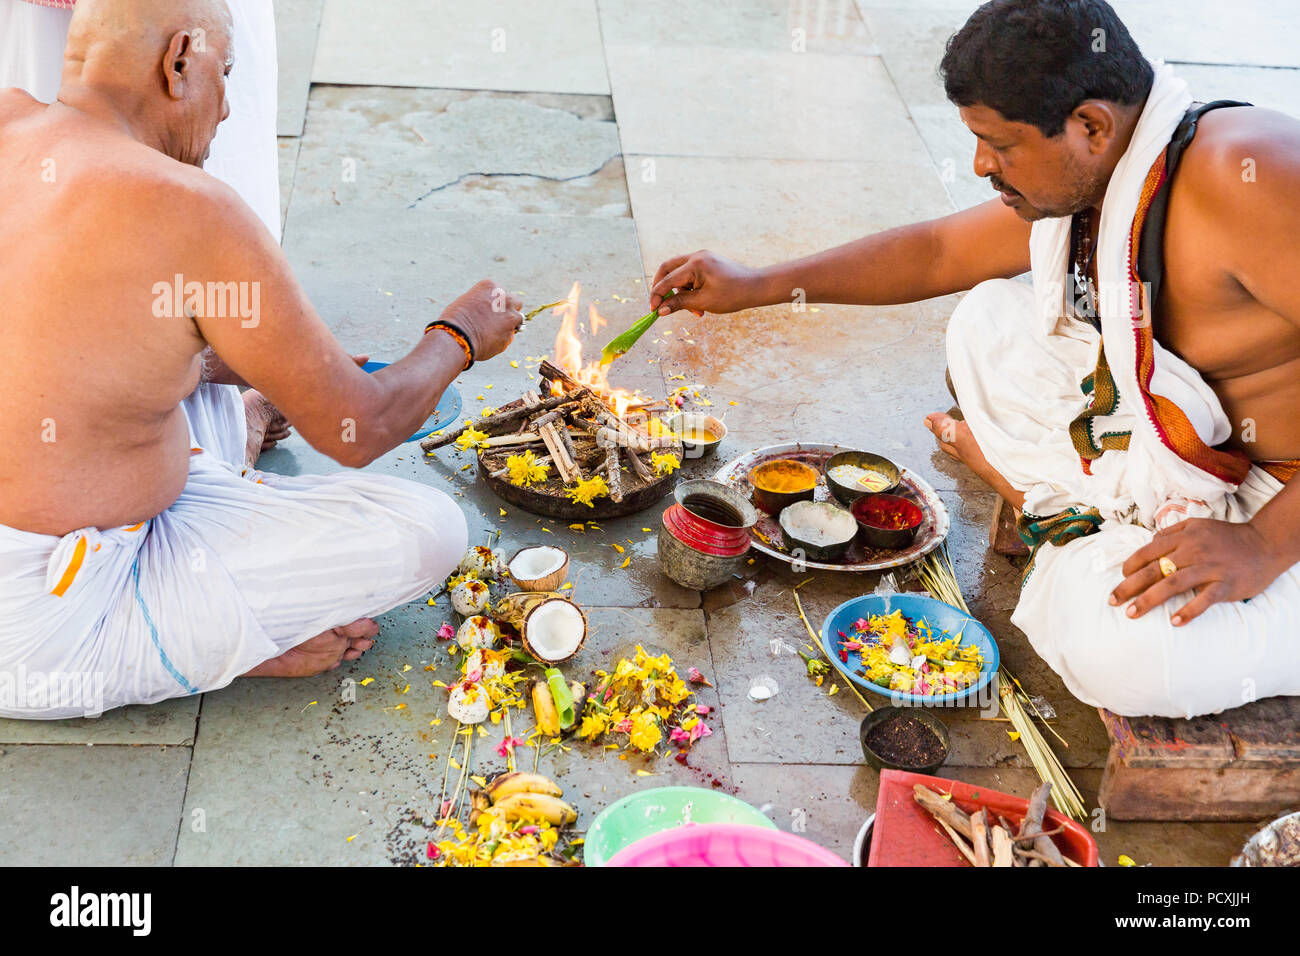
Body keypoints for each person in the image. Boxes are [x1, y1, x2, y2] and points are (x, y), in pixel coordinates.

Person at [649, 0, 1300, 718]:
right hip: (1169, 444)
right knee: (985, 322)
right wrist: (755, 285)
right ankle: (1085, 519)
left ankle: (1066, 520)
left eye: (1000, 145)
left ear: (1090, 126)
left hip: (1275, 499)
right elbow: (938, 251)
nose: (981, 164)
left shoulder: (1252, 176)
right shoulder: (1109, 170)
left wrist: (1263, 546)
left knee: (1128, 651)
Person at [0, 0, 522, 718]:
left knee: (205, 385)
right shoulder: (191, 209)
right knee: (431, 532)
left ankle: (224, 516)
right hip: (48, 625)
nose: (223, 113)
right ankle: (222, 645)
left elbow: (68, 343)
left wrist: (260, 362)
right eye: (228, 75)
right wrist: (460, 335)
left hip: (51, 537)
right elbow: (358, 430)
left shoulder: (8, 121)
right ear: (179, 60)